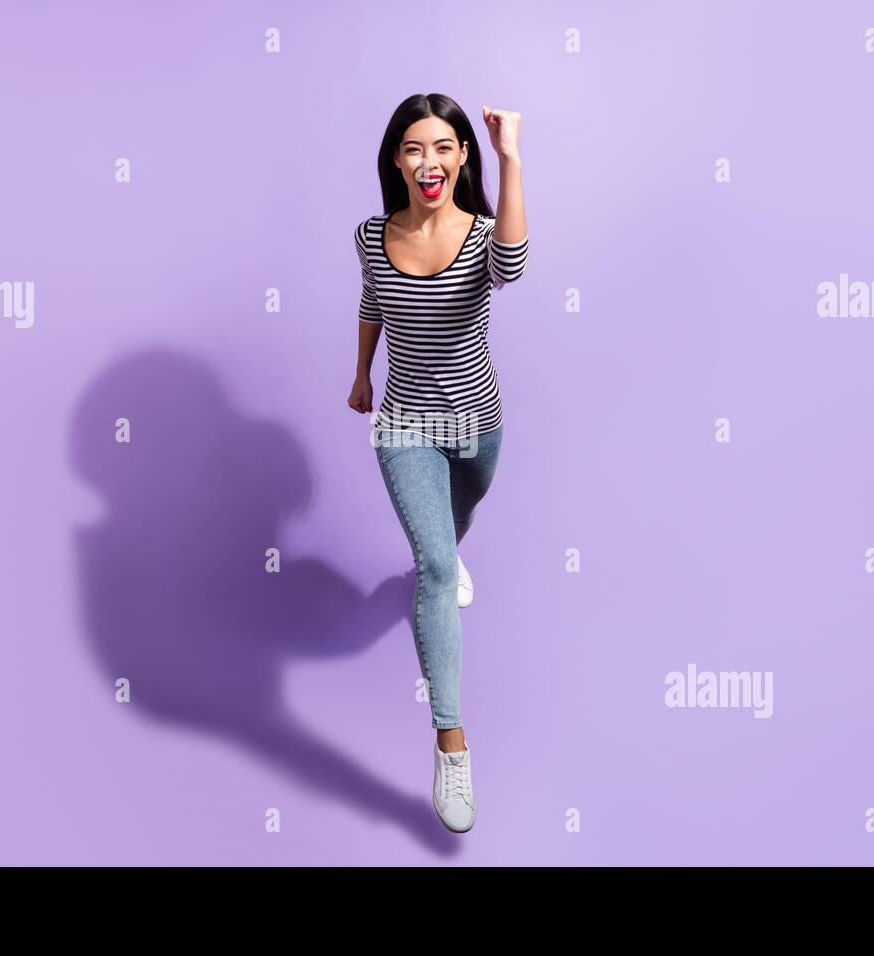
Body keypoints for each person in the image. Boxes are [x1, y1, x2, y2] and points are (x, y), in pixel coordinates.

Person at [346, 93, 529, 833]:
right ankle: (452, 744)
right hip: (404, 426)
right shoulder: (368, 233)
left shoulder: (483, 235)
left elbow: (512, 266)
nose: (430, 161)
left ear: (461, 159)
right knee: (434, 570)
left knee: (462, 514)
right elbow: (372, 299)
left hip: (477, 420)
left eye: (445, 147)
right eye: (415, 148)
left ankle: (451, 550)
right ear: (396, 158)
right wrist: (361, 374)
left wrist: (512, 156)